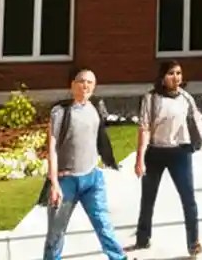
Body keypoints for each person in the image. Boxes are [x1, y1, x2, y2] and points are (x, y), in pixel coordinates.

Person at [41, 68, 127, 260]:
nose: (86, 85)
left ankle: (119, 258)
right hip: (66, 182)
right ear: (72, 85)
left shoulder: (95, 107)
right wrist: (54, 184)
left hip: (92, 180)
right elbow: (52, 149)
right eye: (81, 81)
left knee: (104, 226)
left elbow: (97, 138)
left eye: (90, 82)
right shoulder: (60, 112)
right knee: (56, 234)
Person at [132, 61, 202, 257]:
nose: (176, 77)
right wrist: (140, 159)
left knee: (188, 199)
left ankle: (193, 243)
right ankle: (143, 237)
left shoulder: (186, 98)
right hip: (155, 152)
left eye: (178, 73)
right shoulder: (150, 98)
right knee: (148, 198)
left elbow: (196, 119)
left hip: (180, 153)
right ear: (162, 76)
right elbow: (144, 129)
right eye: (171, 73)